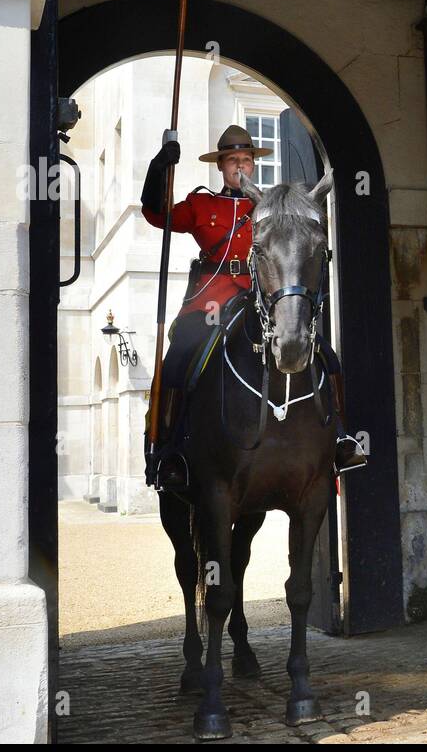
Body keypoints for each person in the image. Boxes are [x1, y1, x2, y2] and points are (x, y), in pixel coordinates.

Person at [141, 125, 367, 489]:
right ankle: (170, 450)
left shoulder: (269, 209)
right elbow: (157, 214)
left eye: (246, 160)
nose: (241, 167)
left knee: (328, 357)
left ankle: (339, 437)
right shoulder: (203, 205)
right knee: (176, 362)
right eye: (233, 161)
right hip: (210, 305)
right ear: (221, 167)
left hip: (257, 302)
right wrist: (159, 167)